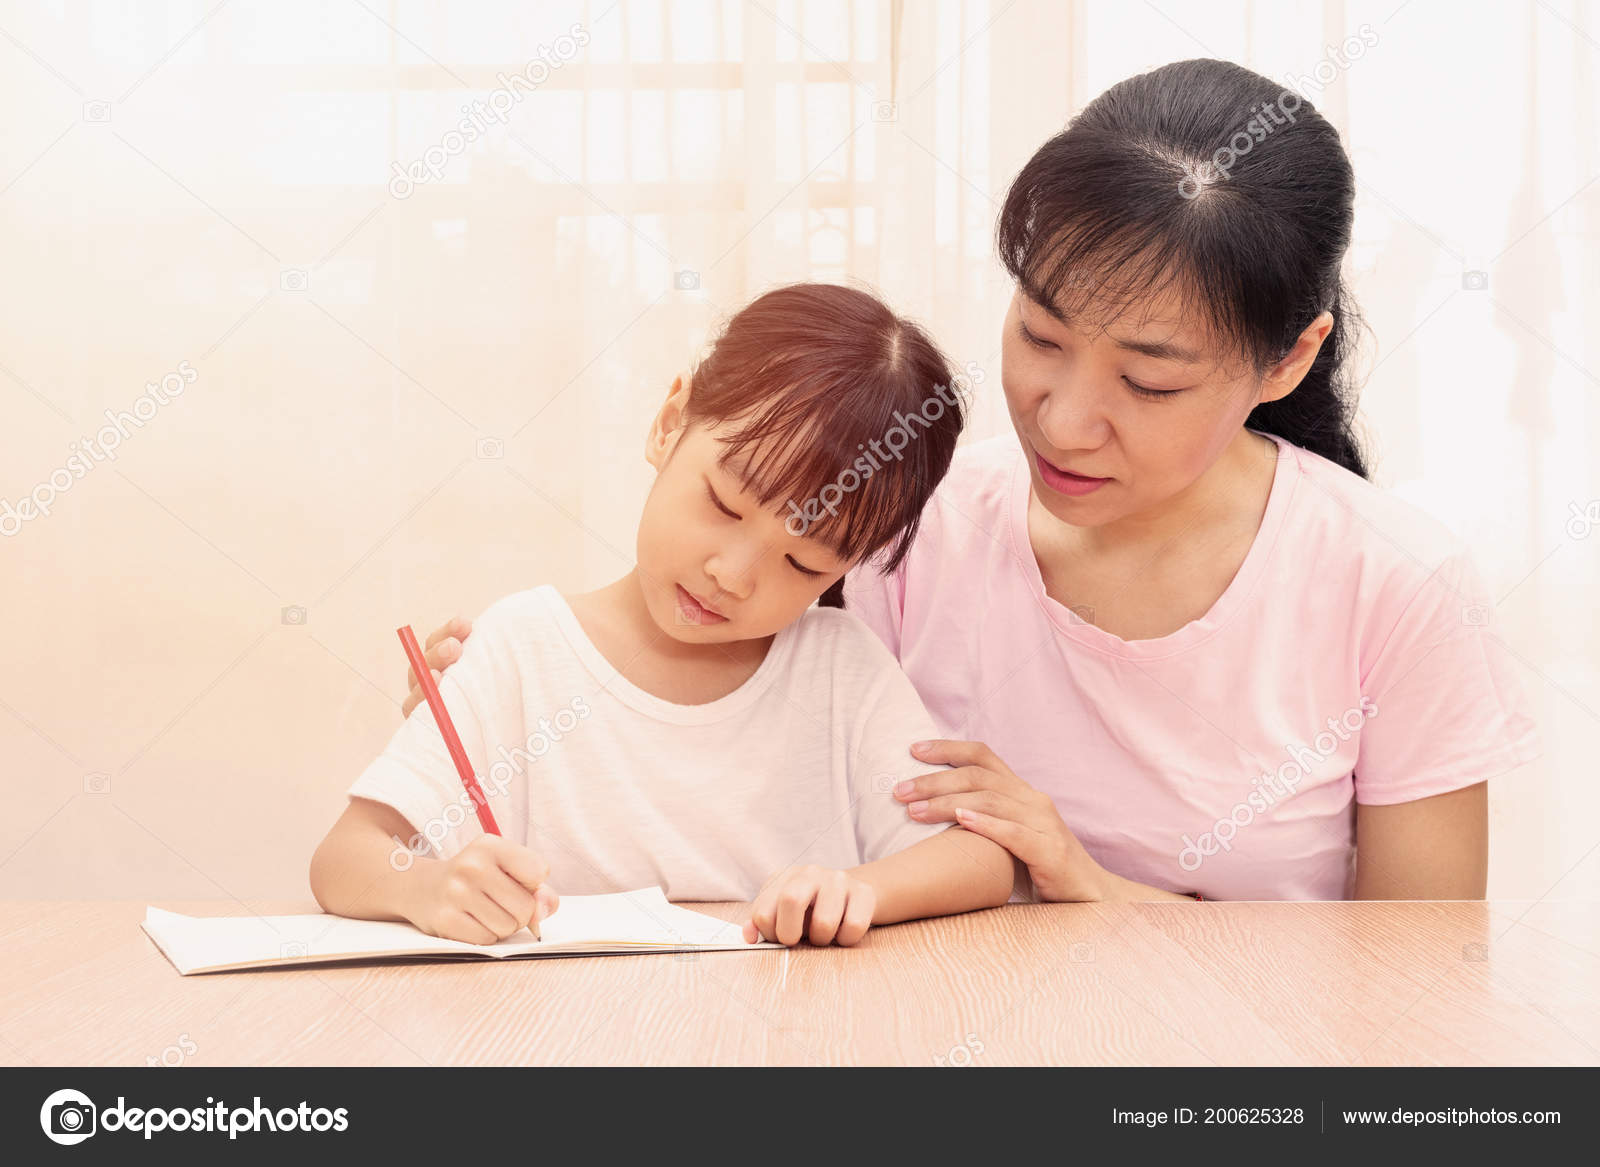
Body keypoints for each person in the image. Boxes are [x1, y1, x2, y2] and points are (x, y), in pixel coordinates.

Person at [407, 60, 1538, 902]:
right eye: (1041, 336)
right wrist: (509, 693)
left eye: (1147, 383)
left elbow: (1412, 985)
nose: (1062, 417)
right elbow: (721, 697)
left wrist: (1083, 882)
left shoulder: (1392, 586)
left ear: (1285, 360)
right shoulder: (906, 525)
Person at [311, 282, 1017, 948]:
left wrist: (858, 888)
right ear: (669, 422)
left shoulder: (840, 670)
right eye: (724, 504)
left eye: (803, 564)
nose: (732, 577)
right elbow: (346, 857)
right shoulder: (520, 649)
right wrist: (433, 886)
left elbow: (979, 859)